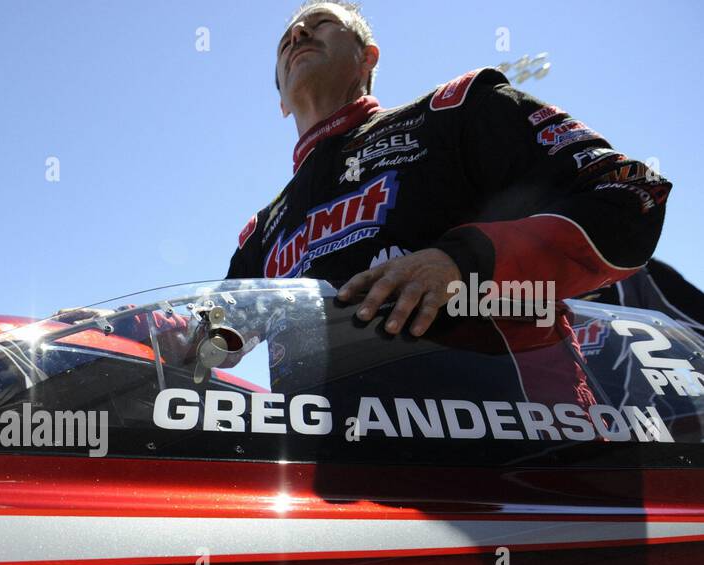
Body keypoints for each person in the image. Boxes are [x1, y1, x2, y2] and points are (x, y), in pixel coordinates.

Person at [225, 2, 670, 342]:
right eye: (285, 43)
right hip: (329, 453)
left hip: (520, 437)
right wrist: (169, 338)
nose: (298, 32)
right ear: (282, 102)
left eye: (320, 23)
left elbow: (630, 193)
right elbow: (206, 336)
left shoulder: (455, 112)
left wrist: (463, 262)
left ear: (368, 58)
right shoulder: (262, 233)